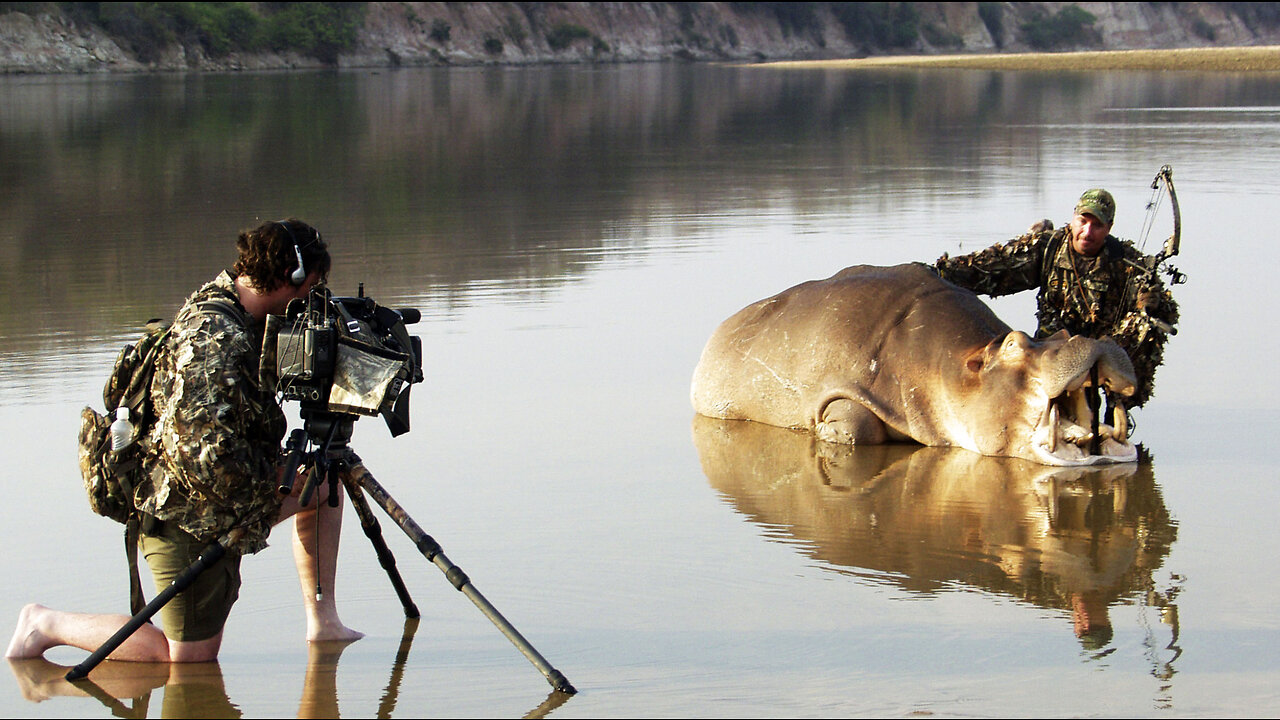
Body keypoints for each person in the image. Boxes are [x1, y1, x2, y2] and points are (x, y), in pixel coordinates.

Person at [7, 218, 362, 663]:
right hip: (182, 510)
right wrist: (270, 486)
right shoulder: (214, 339)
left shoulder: (234, 304)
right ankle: (43, 624)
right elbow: (206, 462)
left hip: (207, 490)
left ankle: (323, 623)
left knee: (322, 485)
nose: (308, 299)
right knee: (178, 660)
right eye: (308, 286)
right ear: (288, 277)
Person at [932, 188, 1178, 409]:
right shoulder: (1047, 247)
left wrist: (1151, 304)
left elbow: (1162, 314)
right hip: (1049, 356)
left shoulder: (1128, 263)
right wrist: (939, 273)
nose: (1087, 232)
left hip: (1098, 359)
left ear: (1109, 228)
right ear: (1073, 217)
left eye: (1097, 226)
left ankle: (1118, 409)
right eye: (1082, 221)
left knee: (1145, 333)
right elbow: (992, 267)